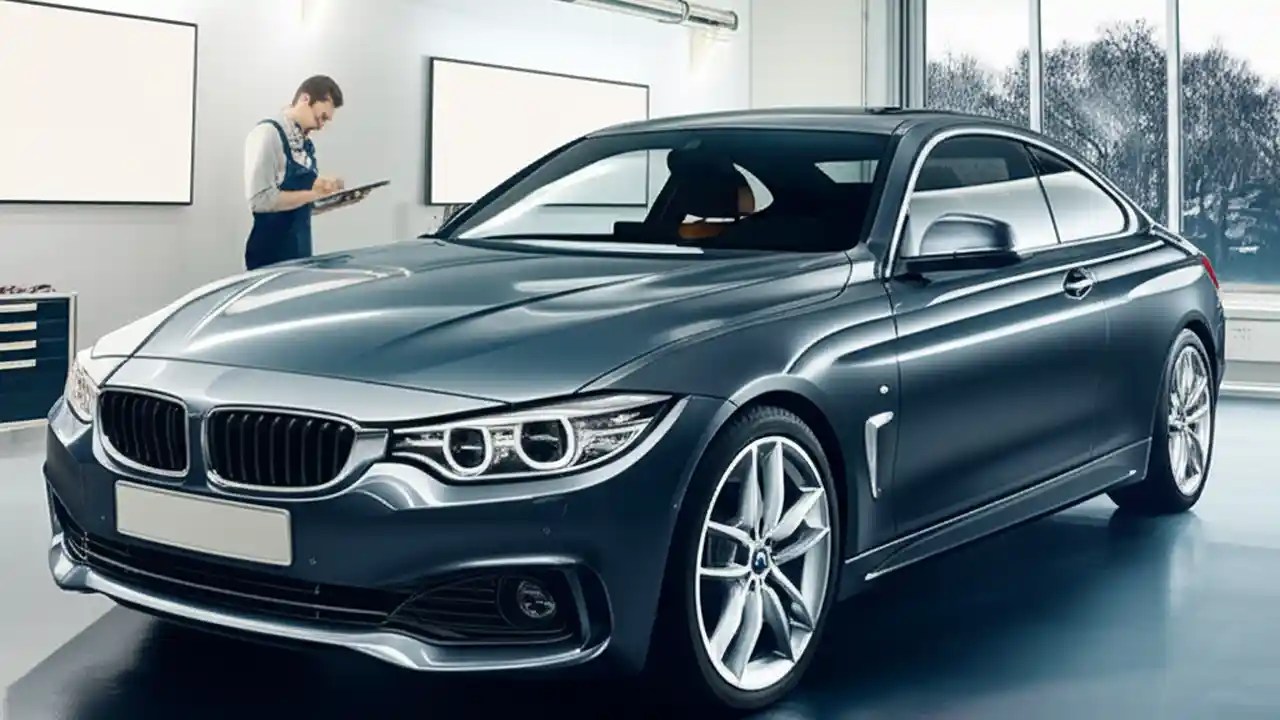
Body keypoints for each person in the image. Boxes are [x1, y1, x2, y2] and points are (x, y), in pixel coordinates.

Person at [242, 75, 367, 270]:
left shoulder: (306, 145)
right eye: (321, 117)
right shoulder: (267, 134)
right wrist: (315, 193)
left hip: (300, 254)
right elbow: (261, 200)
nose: (320, 126)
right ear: (305, 99)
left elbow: (301, 207)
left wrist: (337, 200)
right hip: (269, 255)